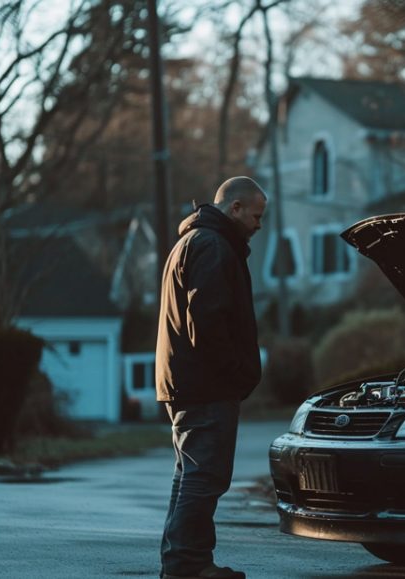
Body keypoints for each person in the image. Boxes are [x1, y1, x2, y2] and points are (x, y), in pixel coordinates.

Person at [155, 176, 267, 579]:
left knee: (190, 477)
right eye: (256, 215)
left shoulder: (192, 243)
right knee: (204, 478)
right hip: (206, 387)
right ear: (234, 208)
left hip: (187, 383)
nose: (258, 225)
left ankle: (184, 561)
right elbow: (207, 323)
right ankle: (188, 565)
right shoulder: (213, 246)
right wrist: (237, 375)